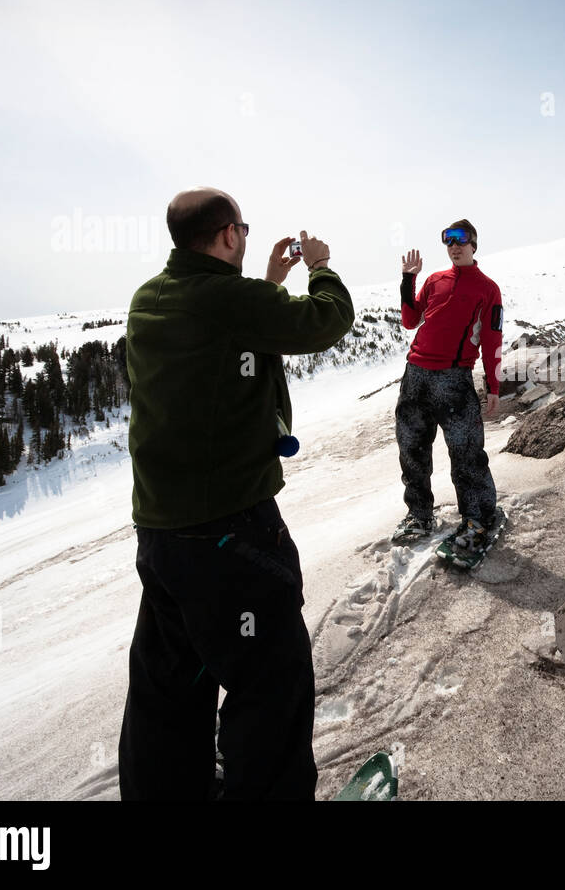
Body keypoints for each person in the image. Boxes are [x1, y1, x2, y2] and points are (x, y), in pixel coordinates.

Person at [119, 187, 355, 800]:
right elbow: (326, 321)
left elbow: (230, 331)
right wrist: (321, 267)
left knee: (168, 690)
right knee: (268, 681)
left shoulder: (150, 299)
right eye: (242, 230)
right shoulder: (228, 299)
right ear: (227, 235)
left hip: (160, 534)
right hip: (232, 532)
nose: (246, 239)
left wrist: (270, 279)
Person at [392, 219, 503, 555]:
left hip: (454, 380)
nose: (454, 247)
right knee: (411, 449)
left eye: (461, 240)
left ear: (474, 244)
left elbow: (492, 339)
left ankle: (478, 519)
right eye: (449, 241)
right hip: (415, 376)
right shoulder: (435, 279)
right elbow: (411, 320)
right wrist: (407, 280)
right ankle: (419, 513)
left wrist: (493, 385)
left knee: (466, 454)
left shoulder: (487, 288)